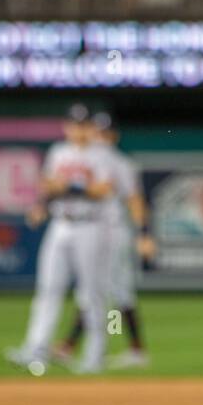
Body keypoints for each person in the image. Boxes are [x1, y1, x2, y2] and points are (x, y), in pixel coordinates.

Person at [5, 104, 114, 375]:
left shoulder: (102, 156)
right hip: (60, 223)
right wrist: (41, 205)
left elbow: (102, 190)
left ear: (91, 128)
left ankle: (94, 355)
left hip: (90, 225)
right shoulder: (58, 152)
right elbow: (48, 186)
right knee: (48, 288)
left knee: (90, 292)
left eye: (83, 124)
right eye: (73, 124)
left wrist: (67, 186)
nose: (78, 130)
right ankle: (36, 349)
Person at [53, 113, 155, 369]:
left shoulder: (118, 163)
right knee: (117, 291)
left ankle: (75, 346)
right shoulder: (86, 160)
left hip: (113, 233)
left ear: (114, 136)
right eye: (98, 132)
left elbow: (135, 200)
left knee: (98, 291)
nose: (101, 137)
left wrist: (144, 233)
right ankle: (134, 349)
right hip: (96, 231)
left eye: (106, 133)